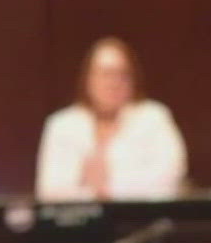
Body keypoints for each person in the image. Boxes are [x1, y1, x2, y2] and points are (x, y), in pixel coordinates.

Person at [34, 37, 186, 201]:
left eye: (122, 74)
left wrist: (109, 187)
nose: (113, 83)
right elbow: (50, 191)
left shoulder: (154, 118)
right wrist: (95, 193)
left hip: (141, 216)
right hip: (80, 217)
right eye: (105, 74)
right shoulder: (62, 125)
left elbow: (168, 182)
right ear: (88, 79)